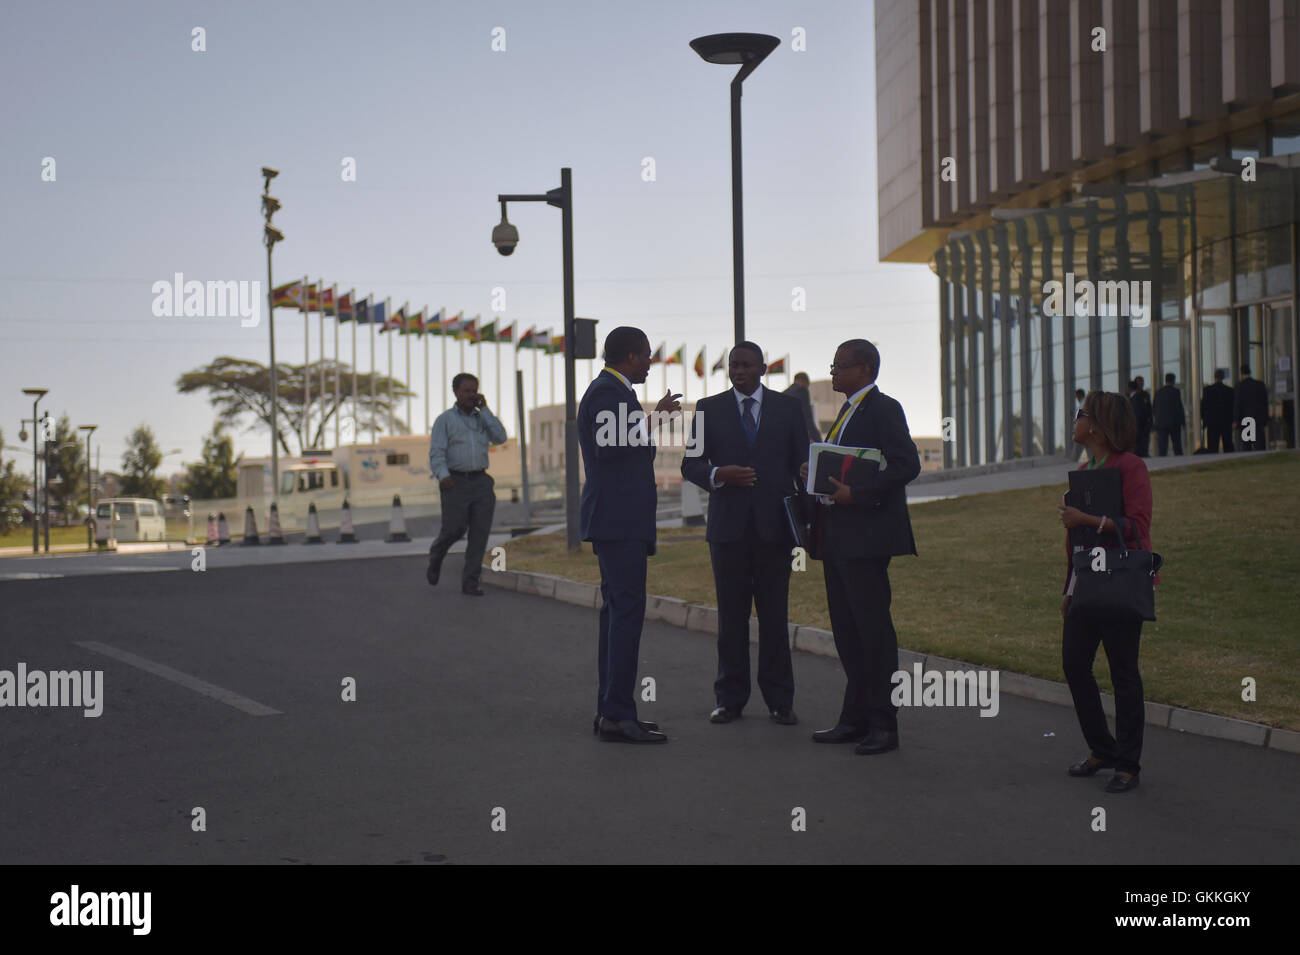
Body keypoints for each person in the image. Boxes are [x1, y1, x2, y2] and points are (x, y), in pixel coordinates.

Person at [682, 341, 810, 727]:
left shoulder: (789, 408)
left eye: (746, 365)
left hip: (775, 531)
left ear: (762, 368)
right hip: (728, 531)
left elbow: (802, 460)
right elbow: (691, 464)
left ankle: (779, 700)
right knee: (731, 619)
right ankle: (729, 698)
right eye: (734, 365)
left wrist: (807, 473)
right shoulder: (708, 408)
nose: (739, 371)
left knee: (774, 617)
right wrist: (719, 474)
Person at [807, 340, 920, 755]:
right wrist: (814, 470)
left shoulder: (883, 408)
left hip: (867, 538)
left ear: (865, 369)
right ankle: (853, 719)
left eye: (839, 366)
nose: (833, 372)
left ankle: (883, 725)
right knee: (848, 633)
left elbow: (907, 464)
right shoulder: (848, 410)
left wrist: (859, 493)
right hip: (836, 537)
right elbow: (849, 460)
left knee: (873, 634)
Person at [579, 326, 681, 743]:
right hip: (619, 522)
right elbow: (612, 446)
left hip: (619, 520)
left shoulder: (616, 393)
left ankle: (611, 710)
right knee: (625, 616)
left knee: (617, 614)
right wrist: (655, 419)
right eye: (647, 355)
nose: (651, 362)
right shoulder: (608, 392)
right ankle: (618, 714)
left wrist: (649, 416)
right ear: (630, 357)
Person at [1057, 391, 1156, 794]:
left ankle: (1128, 764)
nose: (1075, 421)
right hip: (1086, 583)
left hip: (1120, 582)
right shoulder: (1086, 467)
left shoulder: (1130, 467)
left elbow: (1138, 526)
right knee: (1074, 664)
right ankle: (1103, 749)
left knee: (1123, 675)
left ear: (1096, 424)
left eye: (1080, 414)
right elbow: (1075, 539)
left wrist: (1090, 519)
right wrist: (1068, 586)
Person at [426, 373, 507, 595]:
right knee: (454, 529)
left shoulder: (483, 419)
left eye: (475, 391)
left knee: (480, 533)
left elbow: (501, 438)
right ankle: (437, 553)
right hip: (455, 481)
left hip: (481, 481)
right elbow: (436, 452)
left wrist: (486, 410)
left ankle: (470, 582)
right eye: (467, 391)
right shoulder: (445, 420)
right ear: (456, 393)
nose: (472, 395)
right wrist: (443, 476)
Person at [1233, 364, 1269, 451]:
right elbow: (1265, 403)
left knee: (1246, 446)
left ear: (1241, 373)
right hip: (1258, 420)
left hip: (1246, 420)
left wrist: (1236, 421)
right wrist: (1265, 418)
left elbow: (1237, 405)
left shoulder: (1239, 386)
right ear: (1250, 371)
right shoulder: (1260, 384)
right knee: (1259, 446)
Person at [1201, 369, 1235, 453]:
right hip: (1226, 422)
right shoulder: (1230, 391)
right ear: (1223, 377)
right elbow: (1233, 407)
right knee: (1228, 446)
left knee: (1212, 447)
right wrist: (1233, 420)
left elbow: (1203, 406)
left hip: (1212, 423)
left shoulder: (1207, 390)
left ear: (1214, 377)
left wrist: (1204, 420)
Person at [1152, 373, 1185, 456]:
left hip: (1161, 423)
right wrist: (1182, 422)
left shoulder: (1158, 392)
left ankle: (1162, 464)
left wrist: (1156, 421)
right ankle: (1180, 463)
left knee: (1162, 448)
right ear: (1173, 380)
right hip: (1174, 423)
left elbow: (1154, 408)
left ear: (1165, 380)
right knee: (1177, 447)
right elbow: (1179, 408)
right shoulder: (1176, 391)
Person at [783, 371, 822, 442]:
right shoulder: (802, 391)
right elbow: (806, 416)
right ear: (805, 381)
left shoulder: (784, 393)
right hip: (798, 435)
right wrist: (816, 437)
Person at [1129, 376, 1152, 457]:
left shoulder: (1145, 395)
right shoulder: (1130, 397)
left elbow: (1149, 410)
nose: (1141, 384)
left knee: (1144, 443)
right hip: (1135, 425)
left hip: (1144, 425)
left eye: (1142, 383)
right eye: (1139, 383)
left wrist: (1150, 424)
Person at [1070, 389, 1087, 460]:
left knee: (1075, 454)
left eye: (1077, 396)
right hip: (1085, 431)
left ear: (1080, 395)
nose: (1076, 398)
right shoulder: (1083, 403)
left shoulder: (1083, 404)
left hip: (1082, 432)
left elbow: (1080, 419)